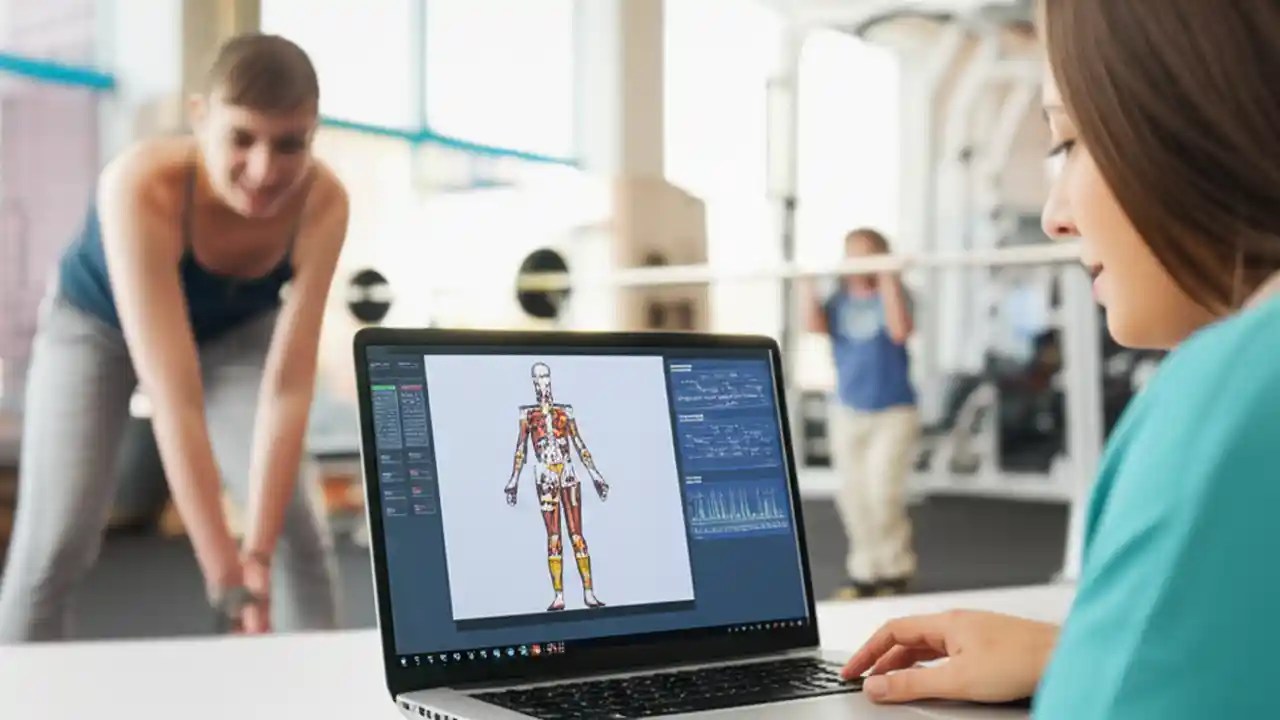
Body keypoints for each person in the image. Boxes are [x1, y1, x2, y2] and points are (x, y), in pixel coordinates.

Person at [840, 1, 1280, 717]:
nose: (1055, 215)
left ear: (1200, 118)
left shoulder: (1229, 394)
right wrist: (1088, 648)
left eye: (1069, 142)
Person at [0, 33, 349, 641]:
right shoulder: (139, 183)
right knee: (55, 542)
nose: (265, 171)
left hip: (237, 333)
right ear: (199, 117)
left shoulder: (324, 202)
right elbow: (174, 397)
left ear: (313, 134)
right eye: (242, 138)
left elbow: (289, 390)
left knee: (299, 530)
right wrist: (226, 576)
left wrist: (257, 556)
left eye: (290, 144)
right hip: (94, 328)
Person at [806, 228, 920, 599]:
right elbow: (813, 326)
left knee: (883, 491)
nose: (857, 263)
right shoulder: (838, 300)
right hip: (847, 407)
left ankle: (895, 569)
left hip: (893, 409)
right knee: (853, 496)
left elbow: (900, 331)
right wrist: (804, 282)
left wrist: (888, 275)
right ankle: (865, 572)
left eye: (866, 255)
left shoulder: (897, 295)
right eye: (851, 254)